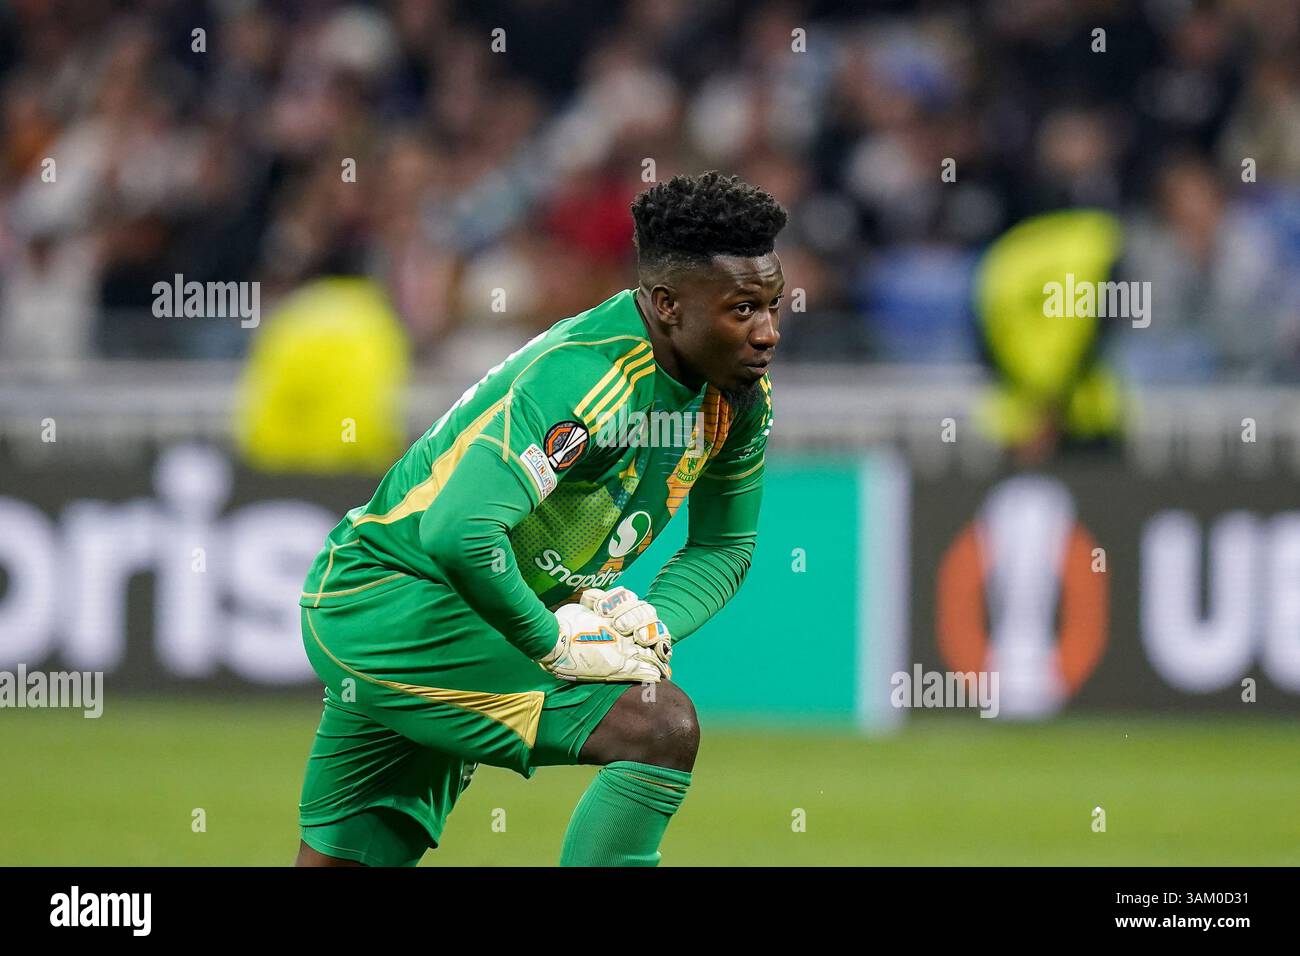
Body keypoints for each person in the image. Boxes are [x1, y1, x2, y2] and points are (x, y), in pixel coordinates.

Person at [295, 171, 787, 866]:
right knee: (659, 726)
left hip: (462, 612)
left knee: (352, 858)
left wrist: (649, 621)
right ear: (669, 304)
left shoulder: (736, 396)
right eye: (743, 309)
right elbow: (457, 533)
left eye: (774, 304)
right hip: (398, 602)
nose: (766, 333)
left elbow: (724, 545)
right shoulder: (590, 376)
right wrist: (550, 642)